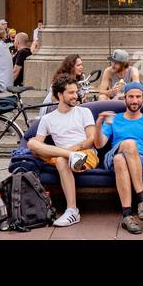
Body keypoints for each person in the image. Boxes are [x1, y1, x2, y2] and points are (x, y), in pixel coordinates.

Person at [28, 74, 102, 228]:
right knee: (31, 143)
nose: (76, 96)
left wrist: (71, 150)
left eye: (76, 92)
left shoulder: (84, 112)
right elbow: (37, 146)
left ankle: (72, 210)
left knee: (62, 160)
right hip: (64, 155)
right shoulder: (47, 119)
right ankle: (69, 156)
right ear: (60, 95)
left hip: (85, 154)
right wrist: (67, 154)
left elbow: (91, 139)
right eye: (71, 92)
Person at [98, 82, 143, 234]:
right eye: (131, 97)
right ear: (125, 98)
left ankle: (127, 215)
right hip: (113, 154)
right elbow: (99, 144)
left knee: (121, 159)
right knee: (127, 145)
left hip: (142, 158)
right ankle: (142, 199)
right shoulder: (115, 118)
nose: (134, 100)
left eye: (138, 97)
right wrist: (99, 122)